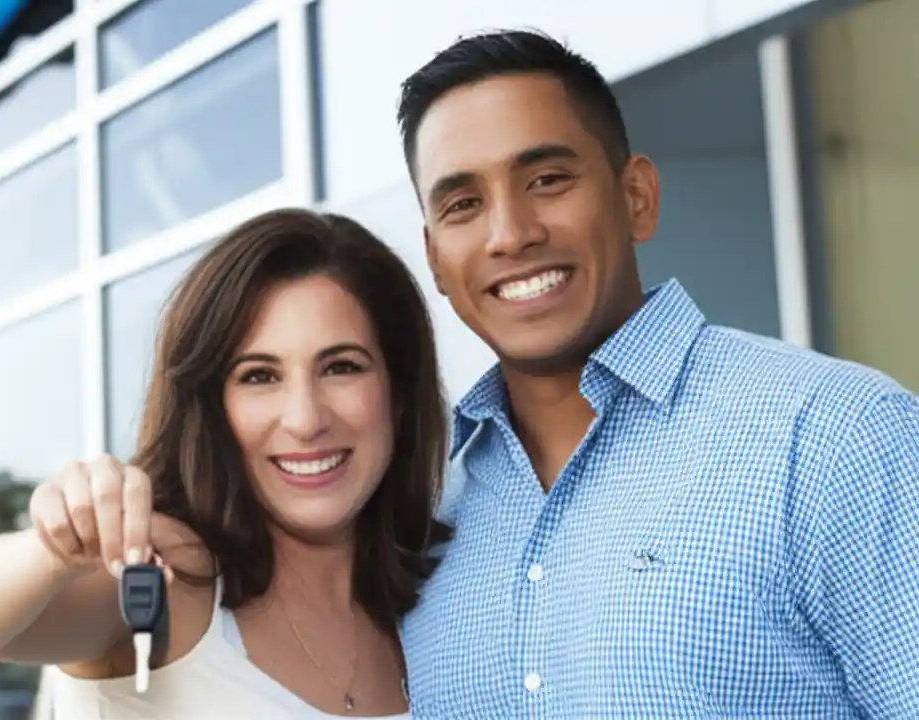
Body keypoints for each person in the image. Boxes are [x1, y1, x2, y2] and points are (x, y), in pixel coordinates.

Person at [393, 28, 919, 718]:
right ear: (435, 258)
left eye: (547, 180)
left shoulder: (840, 437)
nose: (511, 234)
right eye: (463, 204)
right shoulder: (421, 518)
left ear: (636, 196)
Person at [0, 208, 451, 719]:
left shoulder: (425, 614)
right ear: (211, 408)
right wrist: (56, 547)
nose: (305, 419)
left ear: (398, 395)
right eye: (259, 376)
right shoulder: (172, 576)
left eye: (341, 367)